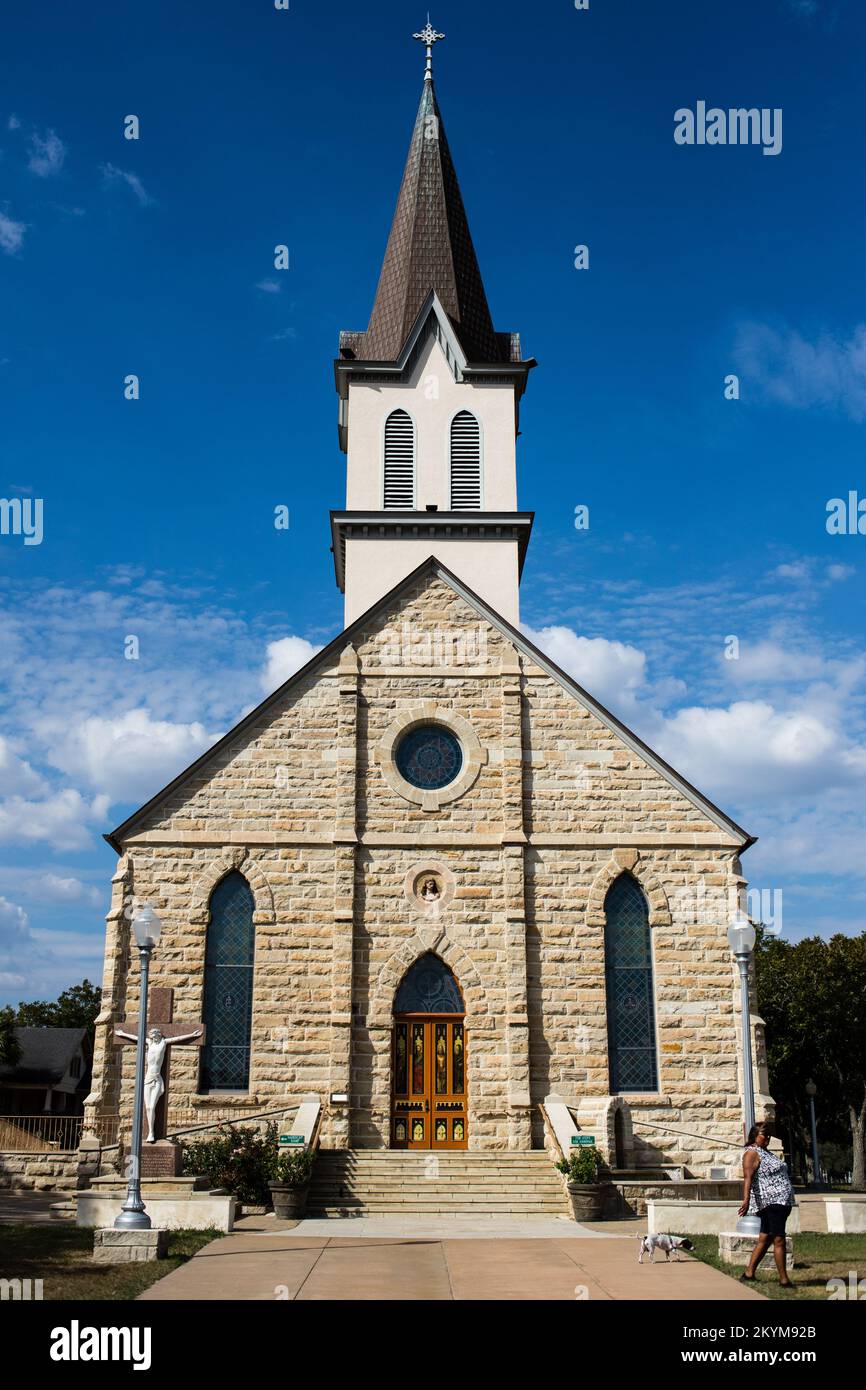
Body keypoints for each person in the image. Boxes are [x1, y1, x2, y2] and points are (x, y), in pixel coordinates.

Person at [738, 1121, 796, 1287]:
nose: (768, 1138)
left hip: (782, 1202)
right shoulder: (752, 1153)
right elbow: (748, 1177)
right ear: (755, 1136)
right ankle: (784, 1280)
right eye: (764, 1135)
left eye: (769, 1135)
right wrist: (746, 1200)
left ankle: (749, 1273)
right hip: (770, 1202)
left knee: (765, 1238)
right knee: (779, 1239)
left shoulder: (767, 1153)